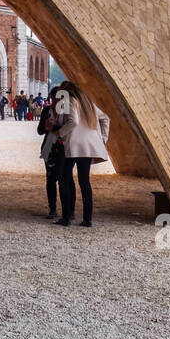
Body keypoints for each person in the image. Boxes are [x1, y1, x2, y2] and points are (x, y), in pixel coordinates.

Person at [54, 80, 110, 228]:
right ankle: (87, 219)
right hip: (88, 146)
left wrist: (59, 133)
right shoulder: (88, 103)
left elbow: (73, 121)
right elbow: (105, 118)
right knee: (84, 182)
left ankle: (66, 217)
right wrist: (103, 139)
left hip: (74, 145)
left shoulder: (70, 101)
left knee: (64, 180)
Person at [37, 88, 65, 220]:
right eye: (54, 98)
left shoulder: (66, 111)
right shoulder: (46, 110)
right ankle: (52, 208)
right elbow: (40, 131)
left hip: (63, 148)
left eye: (59, 98)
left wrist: (53, 128)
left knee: (63, 179)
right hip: (49, 148)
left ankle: (68, 210)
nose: (56, 101)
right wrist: (46, 126)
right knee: (50, 179)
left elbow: (69, 129)